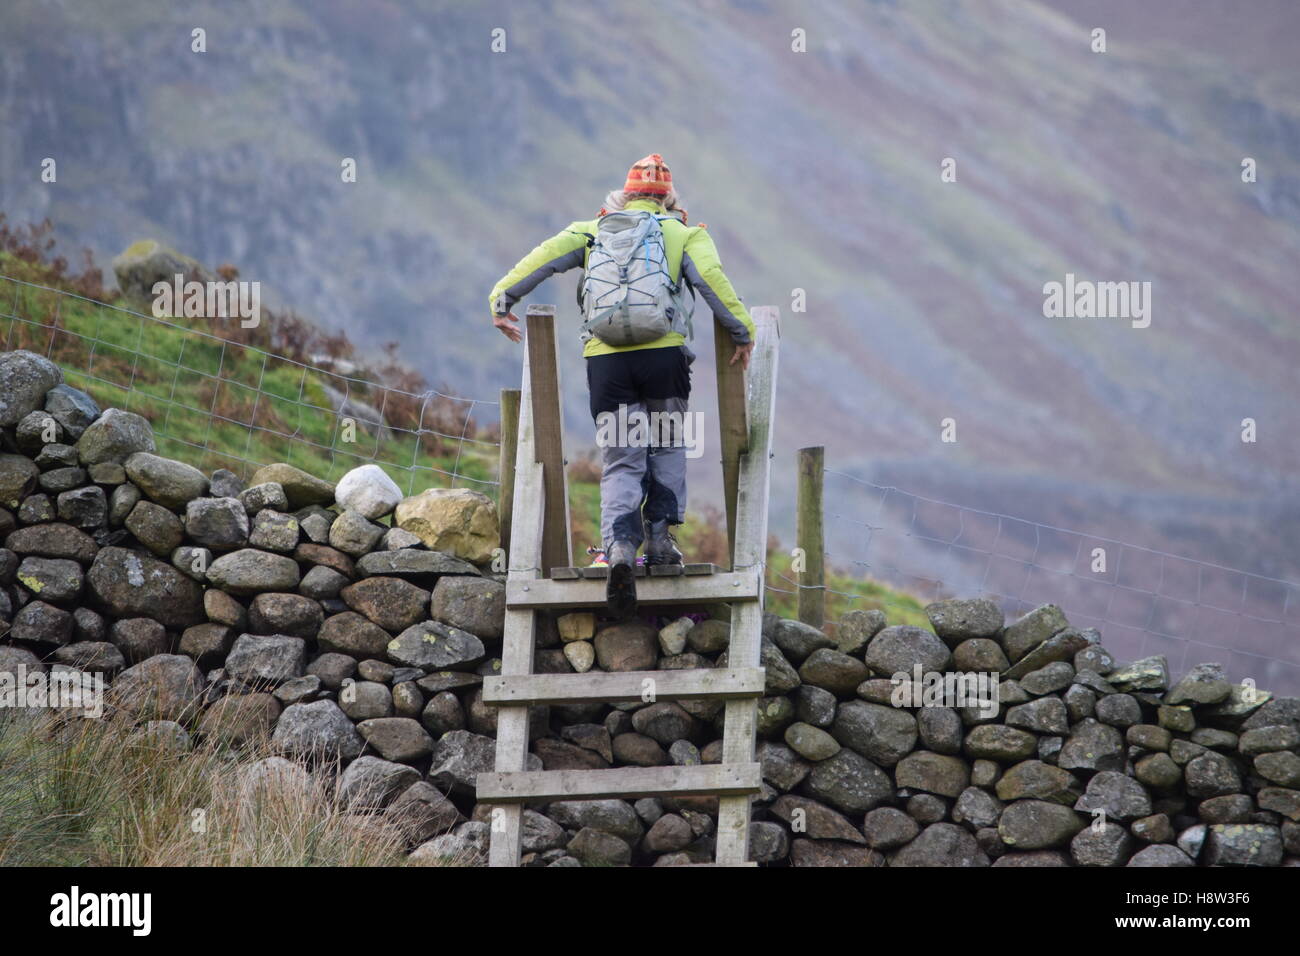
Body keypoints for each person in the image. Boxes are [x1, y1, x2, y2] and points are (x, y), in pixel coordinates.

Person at [488, 153, 755, 615]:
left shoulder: (591, 231)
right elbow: (712, 282)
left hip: (607, 365)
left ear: (624, 195)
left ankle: (618, 548)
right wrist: (743, 331)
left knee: (621, 459)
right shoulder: (685, 233)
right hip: (663, 358)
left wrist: (501, 300)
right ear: (668, 198)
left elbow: (540, 261)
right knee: (668, 444)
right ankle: (661, 540)